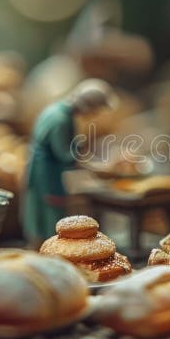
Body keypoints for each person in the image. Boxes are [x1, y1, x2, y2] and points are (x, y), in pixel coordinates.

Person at [23, 79, 117, 245]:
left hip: (44, 167)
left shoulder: (56, 110)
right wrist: (94, 168)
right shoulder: (61, 120)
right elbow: (65, 154)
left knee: (40, 206)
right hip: (48, 171)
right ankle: (51, 245)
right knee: (51, 208)